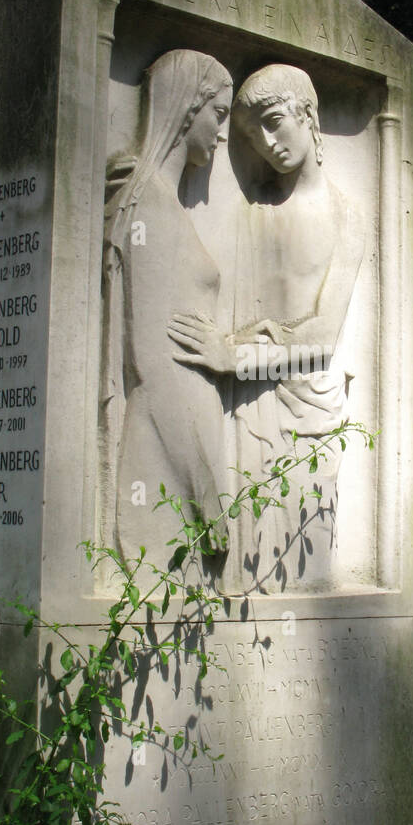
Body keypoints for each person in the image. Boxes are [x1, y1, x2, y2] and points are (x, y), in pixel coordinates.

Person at [168, 63, 364, 592]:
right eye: (254, 136)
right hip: (252, 409)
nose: (269, 144)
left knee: (306, 570)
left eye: (275, 122)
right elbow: (224, 308)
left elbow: (322, 339)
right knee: (252, 565)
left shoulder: (348, 217)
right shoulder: (253, 214)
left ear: (308, 113)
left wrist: (236, 356)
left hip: (313, 407)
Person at [99, 49, 233, 578]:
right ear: (186, 107)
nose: (220, 134)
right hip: (165, 457)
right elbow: (150, 364)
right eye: (217, 114)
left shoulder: (163, 205)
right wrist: (203, 490)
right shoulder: (150, 206)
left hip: (189, 442)